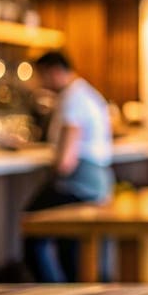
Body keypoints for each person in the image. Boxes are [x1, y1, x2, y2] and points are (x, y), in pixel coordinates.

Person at [25, 51, 114, 282]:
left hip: (79, 185)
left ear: (54, 72)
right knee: (68, 242)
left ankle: (53, 289)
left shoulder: (73, 99)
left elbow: (65, 161)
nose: (40, 83)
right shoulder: (84, 94)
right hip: (97, 183)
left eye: (41, 76)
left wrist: (50, 169)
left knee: (31, 224)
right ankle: (69, 291)